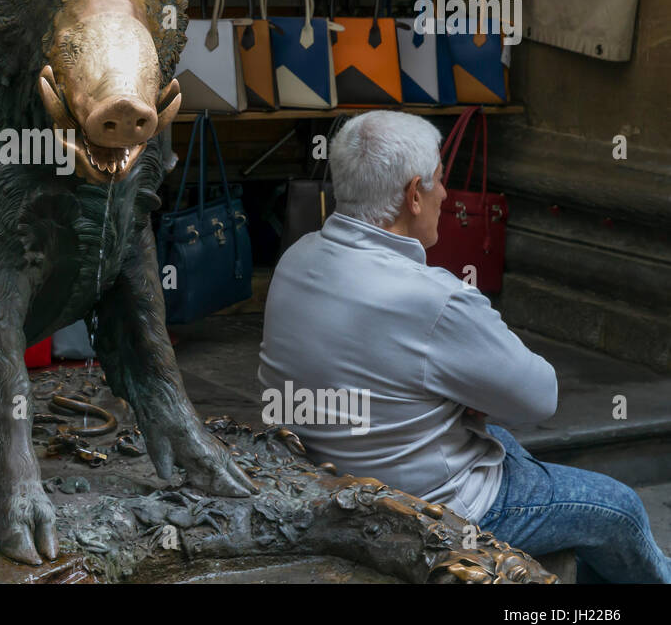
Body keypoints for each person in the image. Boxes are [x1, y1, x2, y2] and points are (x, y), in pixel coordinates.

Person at [258, 111, 671, 583]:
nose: (446, 195)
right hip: (424, 509)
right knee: (618, 508)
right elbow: (541, 398)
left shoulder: (297, 256)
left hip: (327, 476)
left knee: (507, 444)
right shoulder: (435, 298)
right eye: (439, 181)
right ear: (414, 194)